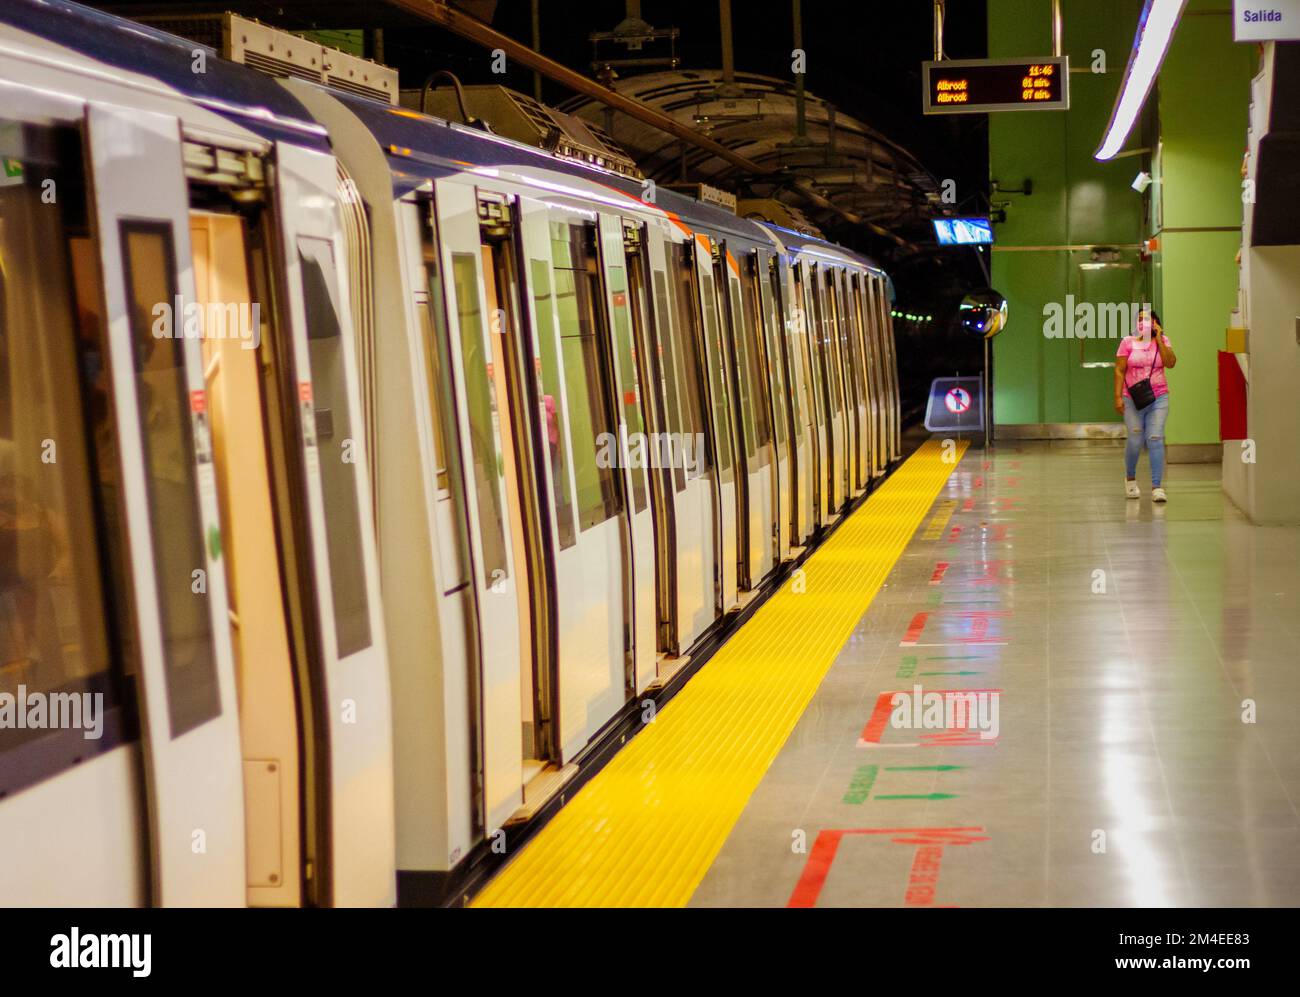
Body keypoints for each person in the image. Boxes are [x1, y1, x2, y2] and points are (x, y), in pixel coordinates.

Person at [1115, 309, 1177, 502]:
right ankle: (1131, 478)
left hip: (1158, 397)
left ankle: (1157, 486)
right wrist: (1117, 397)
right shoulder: (1128, 342)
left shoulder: (1163, 342)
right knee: (1135, 438)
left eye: (1148, 319)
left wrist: (1159, 338)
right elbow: (1120, 369)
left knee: (1155, 438)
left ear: (1156, 323)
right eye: (1140, 319)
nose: (1143, 322)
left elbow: (1171, 363)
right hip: (1132, 398)